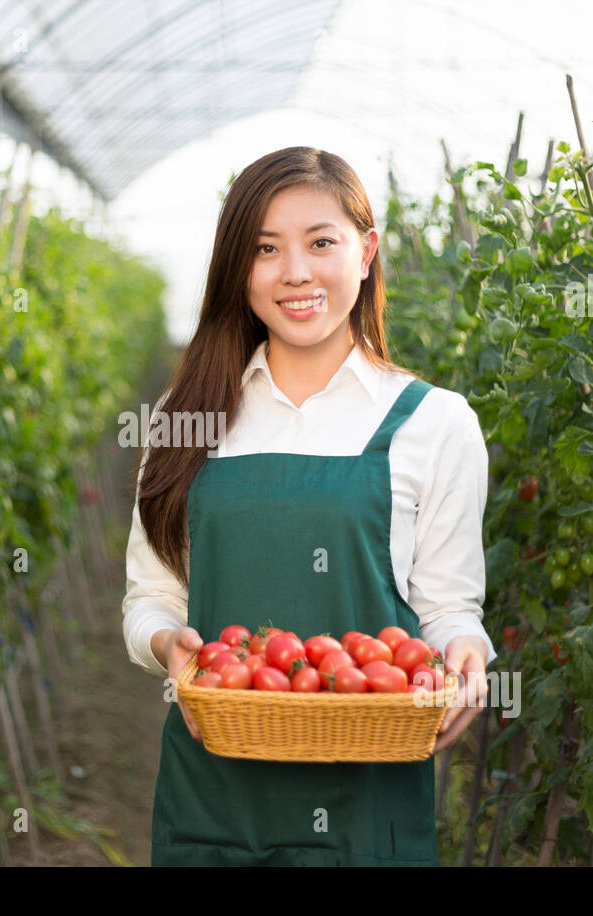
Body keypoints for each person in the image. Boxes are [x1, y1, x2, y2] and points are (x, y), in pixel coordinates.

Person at [122, 146, 494, 866]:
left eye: (321, 242)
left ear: (366, 252)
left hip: (368, 806)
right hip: (213, 797)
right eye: (266, 249)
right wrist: (172, 647)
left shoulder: (435, 422)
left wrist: (468, 663)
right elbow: (153, 598)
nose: (295, 271)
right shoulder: (184, 418)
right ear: (240, 269)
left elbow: (448, 607)